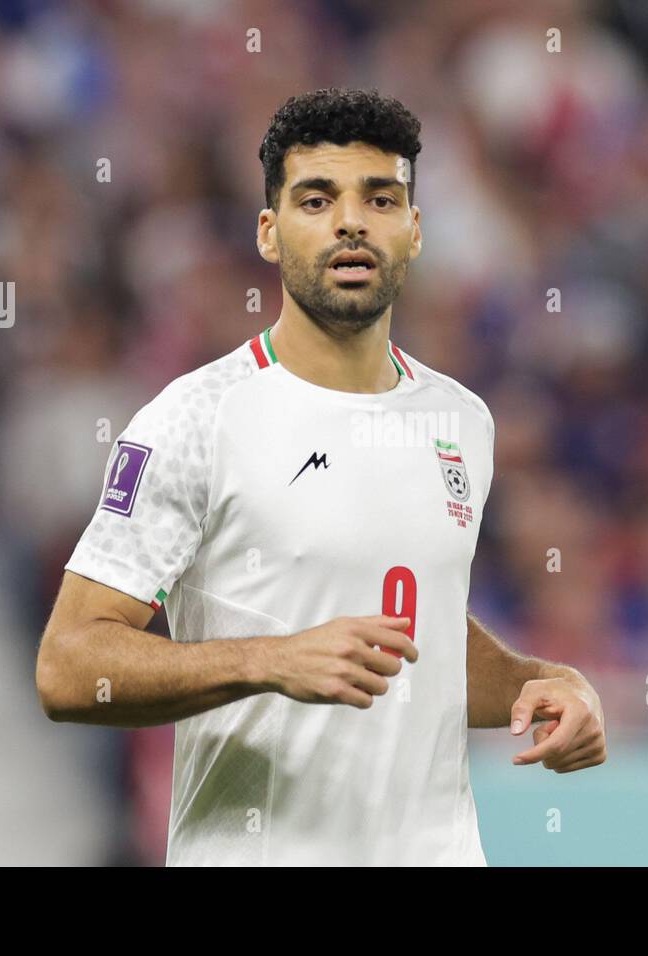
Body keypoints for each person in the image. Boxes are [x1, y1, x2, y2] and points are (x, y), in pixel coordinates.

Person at [36, 88, 606, 866]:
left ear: (414, 231)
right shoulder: (196, 419)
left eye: (380, 198)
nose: (350, 222)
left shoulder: (462, 420)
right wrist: (266, 659)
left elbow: (421, 644)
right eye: (316, 199)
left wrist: (546, 684)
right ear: (269, 233)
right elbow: (69, 667)